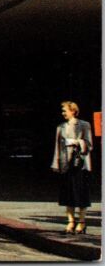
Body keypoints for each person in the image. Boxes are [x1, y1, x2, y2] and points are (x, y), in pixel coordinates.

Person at [51, 100, 93, 234]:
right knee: (68, 193)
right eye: (62, 111)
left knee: (81, 193)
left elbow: (89, 144)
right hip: (66, 164)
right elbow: (57, 147)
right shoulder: (60, 127)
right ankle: (70, 221)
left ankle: (81, 222)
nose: (63, 113)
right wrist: (56, 164)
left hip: (80, 164)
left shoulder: (84, 125)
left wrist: (75, 142)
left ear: (73, 111)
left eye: (65, 110)